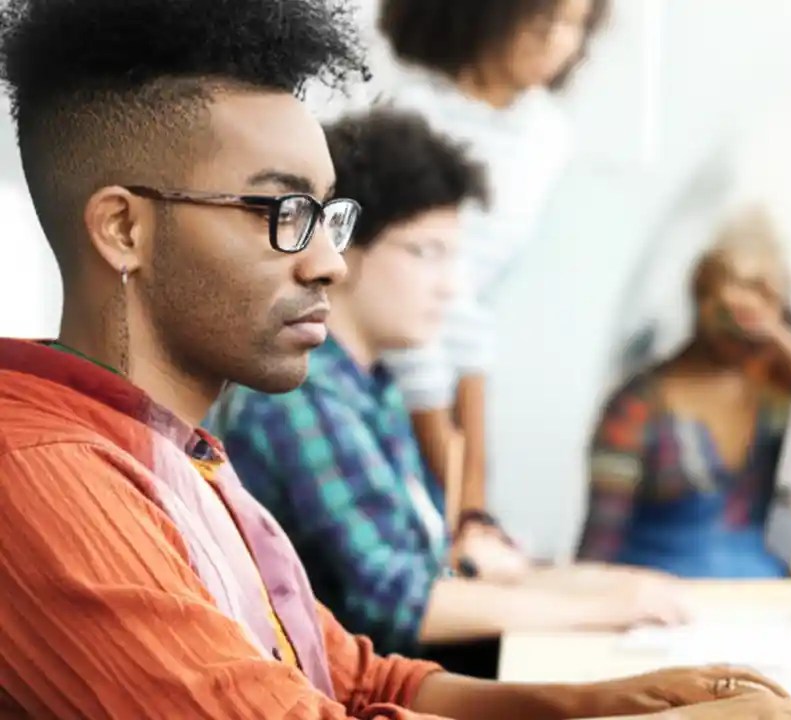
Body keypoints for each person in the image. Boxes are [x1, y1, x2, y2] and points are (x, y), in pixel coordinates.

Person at [0, 0, 791, 717]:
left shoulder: (174, 452)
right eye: (281, 210)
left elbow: (359, 676)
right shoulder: (38, 475)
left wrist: (611, 700)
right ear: (123, 230)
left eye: (327, 215)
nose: (329, 261)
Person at [208, 107, 688, 673]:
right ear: (345, 245)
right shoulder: (301, 397)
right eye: (426, 252)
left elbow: (421, 564)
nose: (450, 286)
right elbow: (399, 605)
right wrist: (601, 607)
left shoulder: (372, 387)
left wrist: (567, 581)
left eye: (454, 257)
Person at [372, 0, 610, 578]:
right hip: (390, 374)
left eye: (574, 28)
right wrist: (462, 501)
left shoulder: (547, 134)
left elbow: (469, 301)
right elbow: (411, 304)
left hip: (456, 350)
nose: (557, 42)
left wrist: (474, 501)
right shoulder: (413, 114)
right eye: (542, 21)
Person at [578, 208, 791, 578]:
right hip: (657, 596)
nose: (747, 337)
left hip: (765, 599)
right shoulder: (637, 407)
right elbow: (600, 544)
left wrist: (782, 340)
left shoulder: (781, 403)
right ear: (702, 301)